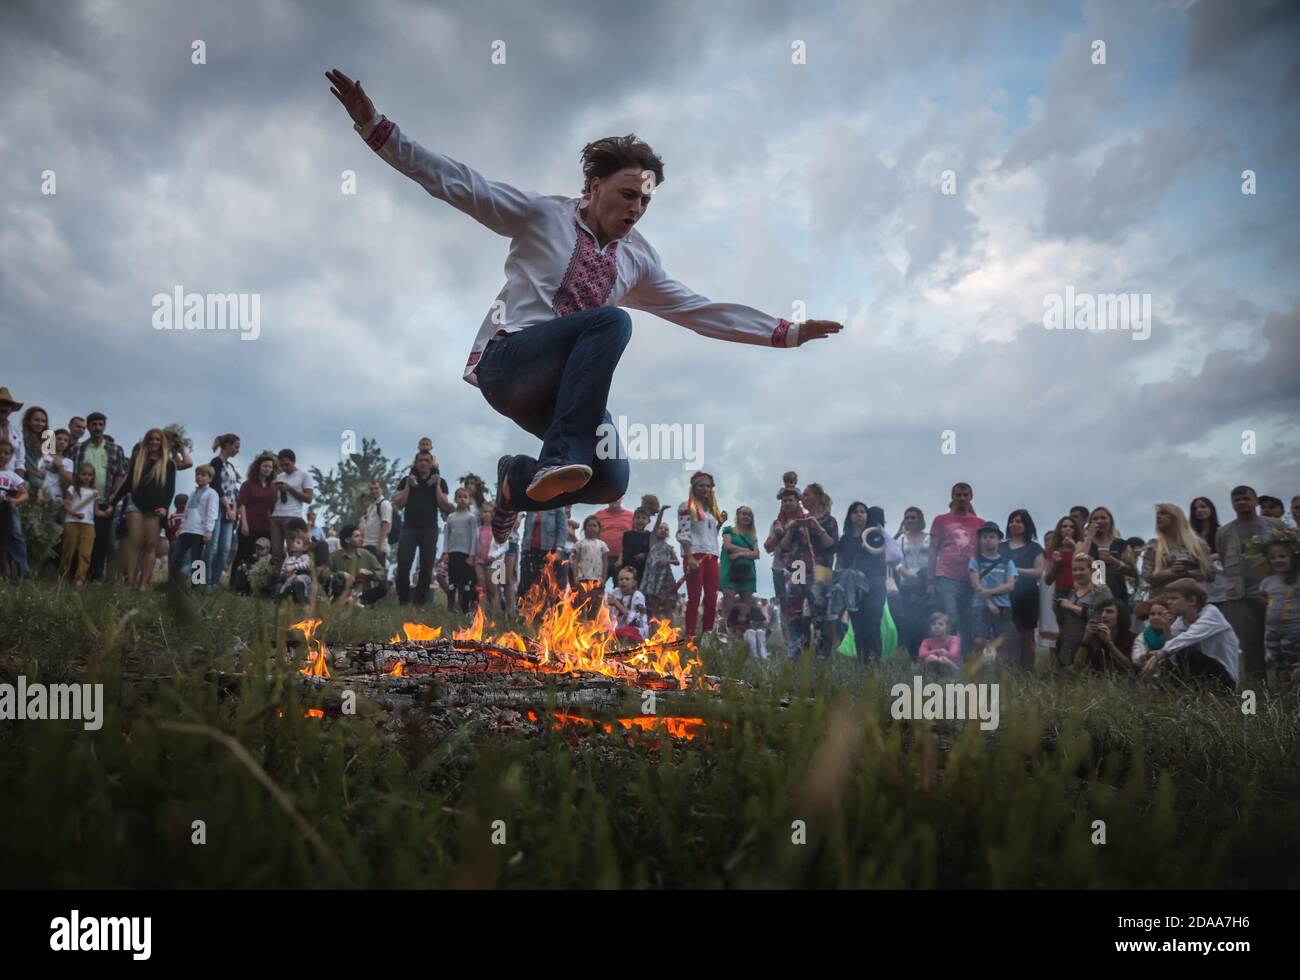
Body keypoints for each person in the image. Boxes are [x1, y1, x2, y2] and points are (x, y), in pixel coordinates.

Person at [325, 70, 842, 543]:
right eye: (626, 195)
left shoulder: (638, 260)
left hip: (561, 399)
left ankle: (515, 484)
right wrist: (376, 127)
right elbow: (457, 183)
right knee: (611, 322)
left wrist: (785, 332)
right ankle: (561, 453)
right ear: (593, 187)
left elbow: (699, 311)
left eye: (644, 202)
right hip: (508, 366)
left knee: (611, 475)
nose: (635, 210)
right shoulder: (540, 215)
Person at [1214, 486, 1287, 686]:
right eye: (1236, 500)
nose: (1241, 503)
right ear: (1232, 504)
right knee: (1250, 649)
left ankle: (1287, 691)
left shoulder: (1275, 525)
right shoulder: (1224, 532)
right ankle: (1257, 698)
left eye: (1246, 498)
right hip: (1241, 597)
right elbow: (1222, 557)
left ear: (1255, 501)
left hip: (1276, 595)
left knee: (1284, 645)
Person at [1142, 578, 1239, 690]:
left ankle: (1214, 695)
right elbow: (1173, 647)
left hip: (1225, 677)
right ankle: (1165, 691)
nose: (1168, 602)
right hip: (1200, 674)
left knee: (1184, 652)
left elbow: (1186, 640)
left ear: (1192, 600)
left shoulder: (1211, 614)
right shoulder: (1180, 622)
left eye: (1174, 598)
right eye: (1168, 598)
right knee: (1168, 656)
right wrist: (1166, 631)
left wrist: (1159, 656)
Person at [111, 428, 176, 591]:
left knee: (150, 544)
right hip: (136, 504)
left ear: (162, 442)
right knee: (135, 542)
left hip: (155, 509)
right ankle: (129, 581)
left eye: (157, 439)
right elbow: (127, 484)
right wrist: (112, 502)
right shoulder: (139, 460)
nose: (154, 442)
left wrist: (165, 507)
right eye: (151, 439)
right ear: (146, 442)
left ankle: (144, 583)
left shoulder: (169, 464)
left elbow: (170, 489)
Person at [833, 502, 896, 664]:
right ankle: (862, 661)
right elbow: (839, 562)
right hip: (852, 586)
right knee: (858, 624)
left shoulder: (876, 535)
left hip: (874, 583)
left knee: (873, 623)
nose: (859, 514)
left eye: (862, 512)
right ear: (850, 516)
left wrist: (874, 539)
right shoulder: (845, 539)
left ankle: (874, 660)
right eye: (855, 512)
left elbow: (891, 555)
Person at [927, 482, 984, 659]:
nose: (961, 498)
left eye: (965, 495)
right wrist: (930, 580)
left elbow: (982, 552)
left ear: (970, 497)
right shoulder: (941, 520)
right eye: (958, 495)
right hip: (946, 576)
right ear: (952, 497)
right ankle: (948, 657)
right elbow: (933, 550)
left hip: (970, 577)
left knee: (968, 620)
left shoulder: (980, 522)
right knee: (951, 618)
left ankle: (964, 659)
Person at [71, 412, 129, 581]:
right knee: (81, 539)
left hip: (105, 500)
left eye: (100, 424)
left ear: (104, 426)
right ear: (88, 427)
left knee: (102, 540)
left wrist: (114, 495)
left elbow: (121, 474)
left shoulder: (115, 449)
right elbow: (73, 473)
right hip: (83, 501)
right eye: (94, 424)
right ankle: (79, 575)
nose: (97, 428)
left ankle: (96, 576)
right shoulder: (78, 449)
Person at [393, 450, 454, 607]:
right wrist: (408, 485)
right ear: (416, 462)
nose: (423, 463)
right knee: (404, 563)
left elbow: (444, 506)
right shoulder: (407, 480)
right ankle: (403, 600)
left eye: (427, 460)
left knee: (427, 567)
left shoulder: (440, 481)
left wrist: (437, 486)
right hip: (409, 528)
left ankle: (419, 603)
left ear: (431, 463)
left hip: (429, 528)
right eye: (420, 460)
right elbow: (399, 503)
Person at [678, 471, 725, 638]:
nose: (705, 489)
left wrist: (720, 525)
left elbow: (710, 534)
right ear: (694, 487)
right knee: (695, 596)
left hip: (712, 554)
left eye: (708, 486)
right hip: (695, 554)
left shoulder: (711, 510)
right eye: (701, 485)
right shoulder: (687, 506)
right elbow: (683, 533)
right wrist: (689, 557)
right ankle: (690, 635)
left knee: (712, 598)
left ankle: (707, 635)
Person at [968, 522, 1017, 664]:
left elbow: (1010, 585)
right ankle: (977, 673)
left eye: (992, 536)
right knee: (978, 641)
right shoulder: (975, 560)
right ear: (980, 539)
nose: (988, 539)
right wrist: (989, 603)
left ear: (999, 539)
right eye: (984, 536)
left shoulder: (1007, 562)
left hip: (1003, 606)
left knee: (1002, 642)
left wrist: (988, 592)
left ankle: (1001, 674)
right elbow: (976, 585)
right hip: (980, 606)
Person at [1001, 509, 1044, 669]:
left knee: (1027, 637)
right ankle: (1007, 674)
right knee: (1006, 637)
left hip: (1029, 596)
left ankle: (1026, 674)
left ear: (1027, 525)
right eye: (1012, 521)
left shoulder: (1035, 548)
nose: (1014, 524)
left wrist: (1015, 570)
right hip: (1004, 596)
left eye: (1019, 521)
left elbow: (1038, 572)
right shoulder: (1001, 547)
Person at [765, 487, 806, 649]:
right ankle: (789, 642)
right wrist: (777, 533)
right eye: (784, 501)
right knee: (783, 603)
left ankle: (801, 640)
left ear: (797, 502)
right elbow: (767, 547)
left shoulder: (804, 520)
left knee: (798, 603)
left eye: (790, 500)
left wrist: (793, 529)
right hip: (778, 567)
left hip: (798, 566)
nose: (787, 503)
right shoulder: (776, 523)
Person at [1054, 552, 1112, 668]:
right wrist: (1057, 608)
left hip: (1090, 644)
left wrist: (1071, 606)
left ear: (1091, 570)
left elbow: (1100, 617)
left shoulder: (1101, 590)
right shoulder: (1073, 592)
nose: (1077, 573)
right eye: (1074, 570)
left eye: (1081, 569)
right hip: (1068, 643)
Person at [1261, 533, 1300, 690]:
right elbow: (1267, 609)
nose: (1277, 560)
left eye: (1282, 556)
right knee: (1280, 667)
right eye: (1273, 557)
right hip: (1273, 632)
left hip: (1295, 631)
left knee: (1295, 666)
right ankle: (1286, 699)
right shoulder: (1267, 582)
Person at [203, 434, 241, 592]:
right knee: (211, 546)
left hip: (230, 509)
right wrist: (226, 506)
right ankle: (200, 580)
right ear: (226, 445)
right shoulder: (216, 462)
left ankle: (213, 583)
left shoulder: (231, 467)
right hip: (218, 507)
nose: (237, 450)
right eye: (235, 447)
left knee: (225, 548)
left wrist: (234, 509)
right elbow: (216, 485)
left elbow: (234, 489)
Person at [171, 464, 219, 585]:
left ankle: (196, 587)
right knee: (176, 557)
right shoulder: (192, 493)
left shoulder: (212, 493)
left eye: (203, 475)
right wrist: (181, 527)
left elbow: (211, 513)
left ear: (210, 478)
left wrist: (208, 530)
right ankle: (173, 583)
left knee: (197, 560)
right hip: (186, 530)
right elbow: (186, 512)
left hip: (199, 531)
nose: (199, 477)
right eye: (197, 474)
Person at [893, 506, 931, 660]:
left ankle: (928, 655)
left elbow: (937, 558)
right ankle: (913, 656)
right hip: (907, 584)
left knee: (926, 620)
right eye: (907, 517)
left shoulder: (930, 537)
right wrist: (906, 573)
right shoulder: (900, 540)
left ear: (920, 519)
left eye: (913, 517)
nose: (910, 520)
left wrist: (926, 576)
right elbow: (896, 560)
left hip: (926, 583)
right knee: (909, 621)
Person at [1079, 506, 1135, 606]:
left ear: (1110, 522)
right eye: (1095, 519)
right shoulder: (1084, 543)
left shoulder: (1121, 544)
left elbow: (1132, 571)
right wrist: (1089, 537)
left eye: (1103, 518)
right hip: (1091, 595)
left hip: (1118, 594)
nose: (1099, 521)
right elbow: (1078, 559)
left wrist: (1114, 561)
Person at [59, 462, 102, 585]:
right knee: (68, 550)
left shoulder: (95, 492)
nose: (87, 477)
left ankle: (80, 578)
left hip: (89, 524)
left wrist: (105, 513)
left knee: (85, 553)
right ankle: (63, 575)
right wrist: (75, 513)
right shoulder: (72, 489)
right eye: (84, 474)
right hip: (72, 522)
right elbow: (66, 505)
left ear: (93, 476)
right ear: (78, 475)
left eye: (90, 474)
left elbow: (96, 511)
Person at [235, 453, 277, 576]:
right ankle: (236, 582)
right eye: (265, 466)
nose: (268, 469)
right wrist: (244, 524)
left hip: (266, 526)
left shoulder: (272, 486)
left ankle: (259, 583)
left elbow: (274, 507)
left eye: (270, 467)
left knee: (267, 556)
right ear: (258, 467)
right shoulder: (248, 484)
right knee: (244, 553)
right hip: (249, 524)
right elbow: (241, 504)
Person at [270, 449, 314, 564]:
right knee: (276, 553)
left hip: (292, 517)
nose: (284, 467)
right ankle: (278, 579)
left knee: (294, 551)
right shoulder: (279, 477)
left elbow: (309, 498)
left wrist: (290, 489)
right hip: (276, 516)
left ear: (293, 461)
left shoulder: (304, 476)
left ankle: (294, 578)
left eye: (287, 464)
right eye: (282, 464)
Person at [329, 524, 390, 606]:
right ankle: (345, 600)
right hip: (343, 590)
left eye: (361, 536)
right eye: (357, 536)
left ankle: (359, 601)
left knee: (384, 587)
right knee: (333, 582)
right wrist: (341, 574)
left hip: (361, 592)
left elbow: (382, 572)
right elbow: (325, 574)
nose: (361, 539)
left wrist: (371, 573)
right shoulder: (334, 556)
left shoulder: (366, 555)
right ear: (347, 540)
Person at [719, 505, 760, 623]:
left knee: (745, 607)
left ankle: (740, 635)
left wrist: (739, 554)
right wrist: (747, 551)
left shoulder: (752, 536)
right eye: (743, 514)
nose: (746, 517)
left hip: (748, 572)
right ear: (738, 515)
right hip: (730, 569)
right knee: (728, 604)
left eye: (749, 515)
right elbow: (728, 546)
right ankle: (723, 633)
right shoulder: (729, 530)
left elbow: (757, 554)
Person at [1073, 597, 1136, 674]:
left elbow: (1130, 669)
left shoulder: (1131, 638)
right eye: (1101, 612)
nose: (1103, 615)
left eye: (1109, 612)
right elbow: (1077, 666)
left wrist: (1109, 644)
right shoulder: (1094, 635)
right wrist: (1086, 639)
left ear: (1120, 615)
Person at [443, 487, 480, 614]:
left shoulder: (471, 518)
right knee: (452, 581)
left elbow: (474, 537)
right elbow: (447, 535)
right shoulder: (451, 517)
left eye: (465, 497)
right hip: (453, 553)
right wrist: (446, 552)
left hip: (466, 555)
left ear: (469, 500)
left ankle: (465, 608)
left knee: (465, 582)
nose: (462, 499)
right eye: (460, 497)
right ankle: (450, 607)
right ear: (455, 499)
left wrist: (472, 555)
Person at [519, 508, 569, 597]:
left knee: (547, 585)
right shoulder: (531, 506)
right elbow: (527, 530)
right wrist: (523, 548)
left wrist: (559, 549)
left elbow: (562, 529)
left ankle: (549, 609)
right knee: (528, 584)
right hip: (530, 551)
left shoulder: (558, 506)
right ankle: (527, 609)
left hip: (549, 552)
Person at [1189, 496, 1228, 605]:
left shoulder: (1222, 532)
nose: (1199, 510)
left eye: (1203, 507)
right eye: (1195, 509)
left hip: (1221, 578)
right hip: (1200, 580)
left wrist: (1209, 557)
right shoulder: (1191, 537)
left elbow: (1228, 553)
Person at [0, 438, 28, 578]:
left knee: (9, 539)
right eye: (0, 452)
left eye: (6, 453)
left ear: (11, 456)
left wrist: (15, 501)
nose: (2, 456)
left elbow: (24, 494)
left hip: (6, 510)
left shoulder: (11, 475)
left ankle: (15, 572)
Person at [641, 519, 680, 618]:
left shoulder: (668, 547)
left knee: (668, 608)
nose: (663, 530)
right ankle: (653, 631)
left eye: (666, 530)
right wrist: (661, 512)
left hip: (665, 578)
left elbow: (677, 562)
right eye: (660, 528)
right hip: (653, 579)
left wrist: (667, 561)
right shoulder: (652, 543)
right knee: (654, 608)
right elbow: (655, 527)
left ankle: (670, 631)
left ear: (668, 534)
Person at [573, 516, 610, 616]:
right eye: (589, 525)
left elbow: (605, 562)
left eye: (594, 526)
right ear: (585, 528)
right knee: (581, 604)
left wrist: (604, 578)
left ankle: (591, 626)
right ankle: (579, 625)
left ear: (599, 529)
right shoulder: (580, 544)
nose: (591, 528)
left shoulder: (602, 545)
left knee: (594, 605)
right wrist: (576, 576)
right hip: (583, 578)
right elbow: (575, 560)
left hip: (596, 579)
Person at [593, 498, 635, 583]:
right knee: (596, 585)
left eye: (617, 498)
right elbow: (591, 533)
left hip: (623, 559)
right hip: (602, 557)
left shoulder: (631, 516)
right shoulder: (598, 515)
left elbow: (635, 535)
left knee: (621, 586)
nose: (614, 500)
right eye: (611, 498)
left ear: (621, 498)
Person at [605, 565, 649, 642]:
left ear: (634, 582)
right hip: (619, 629)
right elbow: (610, 616)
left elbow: (637, 621)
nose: (623, 581)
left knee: (619, 633)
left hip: (637, 630)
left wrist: (617, 604)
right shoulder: (616, 593)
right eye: (621, 579)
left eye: (627, 579)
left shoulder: (638, 596)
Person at [276, 529, 317, 605]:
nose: (294, 544)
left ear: (304, 547)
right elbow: (283, 570)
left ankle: (302, 597)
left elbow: (306, 565)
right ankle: (283, 595)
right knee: (286, 584)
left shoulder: (305, 557)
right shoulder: (288, 559)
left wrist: (293, 567)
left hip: (303, 577)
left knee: (300, 579)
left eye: (298, 542)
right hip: (290, 578)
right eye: (293, 542)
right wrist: (284, 574)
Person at [1130, 597, 1172, 668]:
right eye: (1152, 614)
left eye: (1160, 614)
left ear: (1170, 616)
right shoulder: (1143, 636)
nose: (1156, 617)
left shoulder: (1177, 632)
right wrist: (1147, 655)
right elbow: (1136, 659)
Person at [360, 479, 393, 568]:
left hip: (376, 546)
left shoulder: (385, 504)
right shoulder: (372, 506)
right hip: (367, 545)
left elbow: (385, 523)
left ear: (381, 489)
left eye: (376, 488)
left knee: (379, 576)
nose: (374, 491)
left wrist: (380, 545)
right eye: (371, 489)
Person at [620, 507, 652, 587]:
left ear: (648, 521)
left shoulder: (649, 535)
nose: (640, 520)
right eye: (638, 518)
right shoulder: (627, 534)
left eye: (643, 518)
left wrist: (645, 555)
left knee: (640, 587)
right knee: (626, 586)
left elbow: (652, 551)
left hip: (642, 567)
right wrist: (619, 560)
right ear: (633, 520)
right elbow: (622, 548)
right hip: (627, 565)